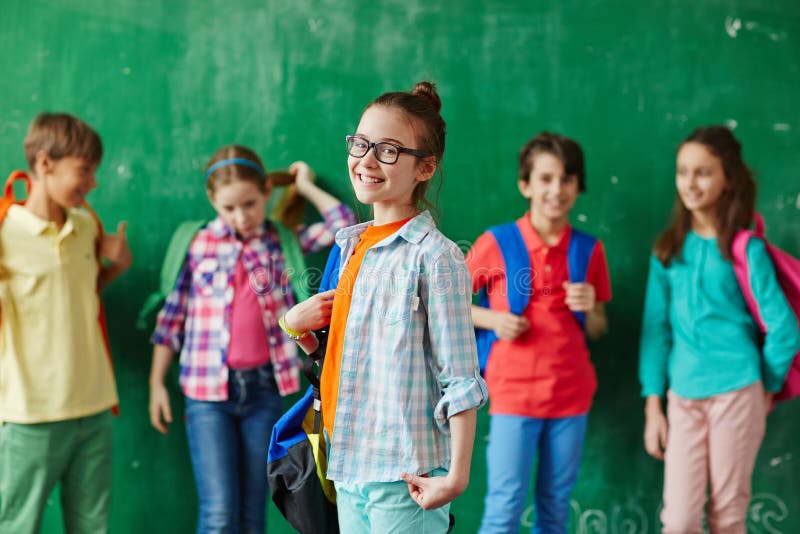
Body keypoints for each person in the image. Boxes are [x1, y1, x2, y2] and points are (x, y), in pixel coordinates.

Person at [280, 81, 487, 533]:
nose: (367, 161)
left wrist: (456, 477)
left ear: (425, 167)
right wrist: (299, 330)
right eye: (361, 144)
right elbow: (358, 360)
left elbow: (461, 379)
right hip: (347, 461)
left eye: (390, 150)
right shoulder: (352, 248)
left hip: (405, 472)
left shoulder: (436, 257)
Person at [148, 145, 355, 533]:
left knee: (253, 513)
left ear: (265, 192)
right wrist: (156, 382)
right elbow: (171, 318)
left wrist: (305, 187)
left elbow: (344, 224)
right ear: (212, 201)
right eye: (229, 208)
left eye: (250, 203)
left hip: (264, 391)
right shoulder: (197, 243)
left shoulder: (281, 239)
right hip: (207, 395)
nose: (241, 216)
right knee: (219, 512)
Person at [639, 126, 800, 533]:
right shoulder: (667, 252)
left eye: (703, 172)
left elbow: (785, 330)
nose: (690, 183)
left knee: (728, 517)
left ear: (727, 177)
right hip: (683, 397)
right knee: (678, 521)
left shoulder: (747, 249)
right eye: (683, 172)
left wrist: (765, 388)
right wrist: (653, 403)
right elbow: (656, 333)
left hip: (738, 392)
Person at [468, 132, 612, 533]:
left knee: (555, 509)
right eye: (546, 179)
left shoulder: (589, 250)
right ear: (526, 184)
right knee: (504, 506)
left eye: (566, 179)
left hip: (571, 396)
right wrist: (493, 319)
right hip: (513, 393)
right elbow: (446, 306)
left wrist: (592, 309)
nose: (557, 190)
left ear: (578, 186)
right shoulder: (497, 243)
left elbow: (599, 327)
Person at [0, 112, 132, 533]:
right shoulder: (5, 230)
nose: (93, 182)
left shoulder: (85, 224)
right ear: (44, 163)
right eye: (85, 169)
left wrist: (117, 266)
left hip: (93, 405)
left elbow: (77, 295)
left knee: (91, 526)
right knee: (18, 525)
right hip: (30, 413)